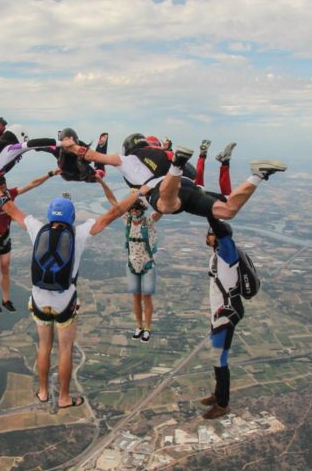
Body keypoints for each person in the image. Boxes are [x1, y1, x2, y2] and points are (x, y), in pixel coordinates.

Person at [0, 174, 145, 411]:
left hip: (39, 298)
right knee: (65, 349)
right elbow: (114, 213)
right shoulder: (79, 233)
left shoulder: (37, 228)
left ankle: (43, 392)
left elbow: (8, 206)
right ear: (71, 216)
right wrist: (138, 193)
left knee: (44, 347)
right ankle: (64, 397)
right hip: (65, 300)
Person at [60, 134, 285, 221]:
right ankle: (258, 175)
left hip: (167, 189)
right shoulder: (158, 154)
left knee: (167, 205)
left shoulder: (124, 159)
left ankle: (177, 166)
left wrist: (69, 146)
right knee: (227, 212)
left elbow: (91, 155)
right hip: (187, 187)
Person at [0, 168, 59, 313]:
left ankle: (6, 300)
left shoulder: (10, 194)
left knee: (5, 268)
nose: (4, 186)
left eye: (4, 183)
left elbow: (32, 184)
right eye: (0, 185)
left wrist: (50, 174)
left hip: (4, 236)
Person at [97, 175, 161, 342]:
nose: (133, 212)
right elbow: (113, 202)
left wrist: (161, 193)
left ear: (141, 209)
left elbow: (160, 211)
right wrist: (102, 182)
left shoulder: (148, 222)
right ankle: (139, 326)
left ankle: (147, 328)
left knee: (146, 298)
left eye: (136, 209)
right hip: (132, 265)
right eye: (132, 209)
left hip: (147, 265)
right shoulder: (128, 221)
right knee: (136, 297)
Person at [202, 217, 247, 418]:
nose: (207, 236)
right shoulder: (218, 255)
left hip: (227, 313)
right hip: (219, 313)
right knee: (216, 356)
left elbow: (223, 234)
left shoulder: (228, 253)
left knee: (220, 358)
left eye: (211, 233)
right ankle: (218, 394)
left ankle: (223, 404)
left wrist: (209, 212)